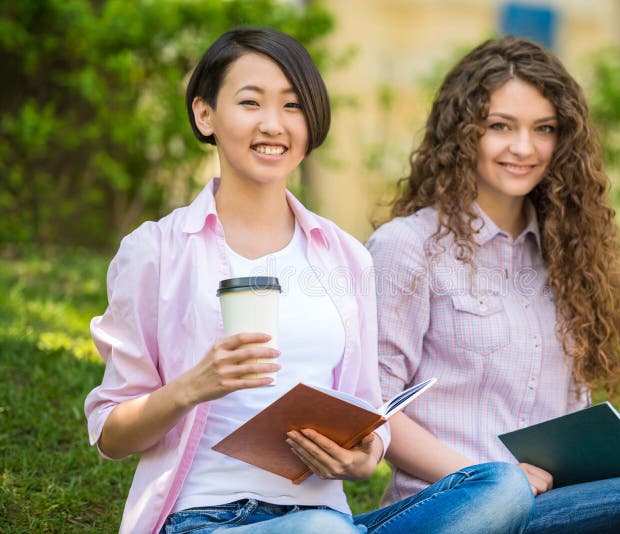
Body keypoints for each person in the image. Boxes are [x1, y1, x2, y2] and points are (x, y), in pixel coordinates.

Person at [84, 28, 534, 534]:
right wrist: (191, 388)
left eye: (293, 106)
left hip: (327, 516)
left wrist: (365, 456)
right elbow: (110, 432)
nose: (273, 125)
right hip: (206, 519)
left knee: (502, 486)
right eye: (251, 102)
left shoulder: (345, 257)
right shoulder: (157, 251)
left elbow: (365, 406)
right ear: (204, 114)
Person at [367, 36, 620, 533]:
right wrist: (492, 478)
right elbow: (373, 406)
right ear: (461, 135)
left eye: (544, 129)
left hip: (557, 505)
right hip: (462, 509)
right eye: (500, 126)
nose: (524, 147)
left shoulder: (566, 253)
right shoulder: (407, 246)